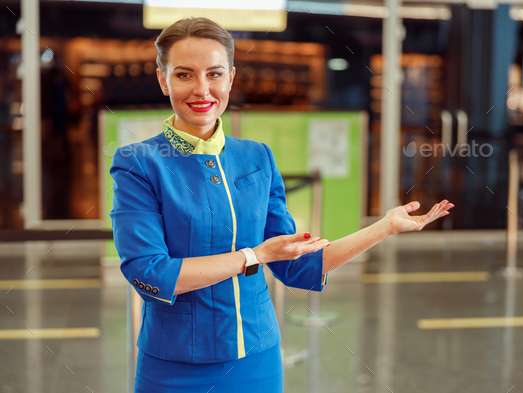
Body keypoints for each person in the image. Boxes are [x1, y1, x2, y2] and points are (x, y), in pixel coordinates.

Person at [109, 16, 454, 393]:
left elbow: (298, 263)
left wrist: (385, 226)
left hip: (257, 358)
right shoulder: (139, 162)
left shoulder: (257, 158)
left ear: (231, 78)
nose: (202, 89)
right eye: (184, 75)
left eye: (214, 74)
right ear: (163, 79)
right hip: (174, 365)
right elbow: (150, 275)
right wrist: (253, 256)